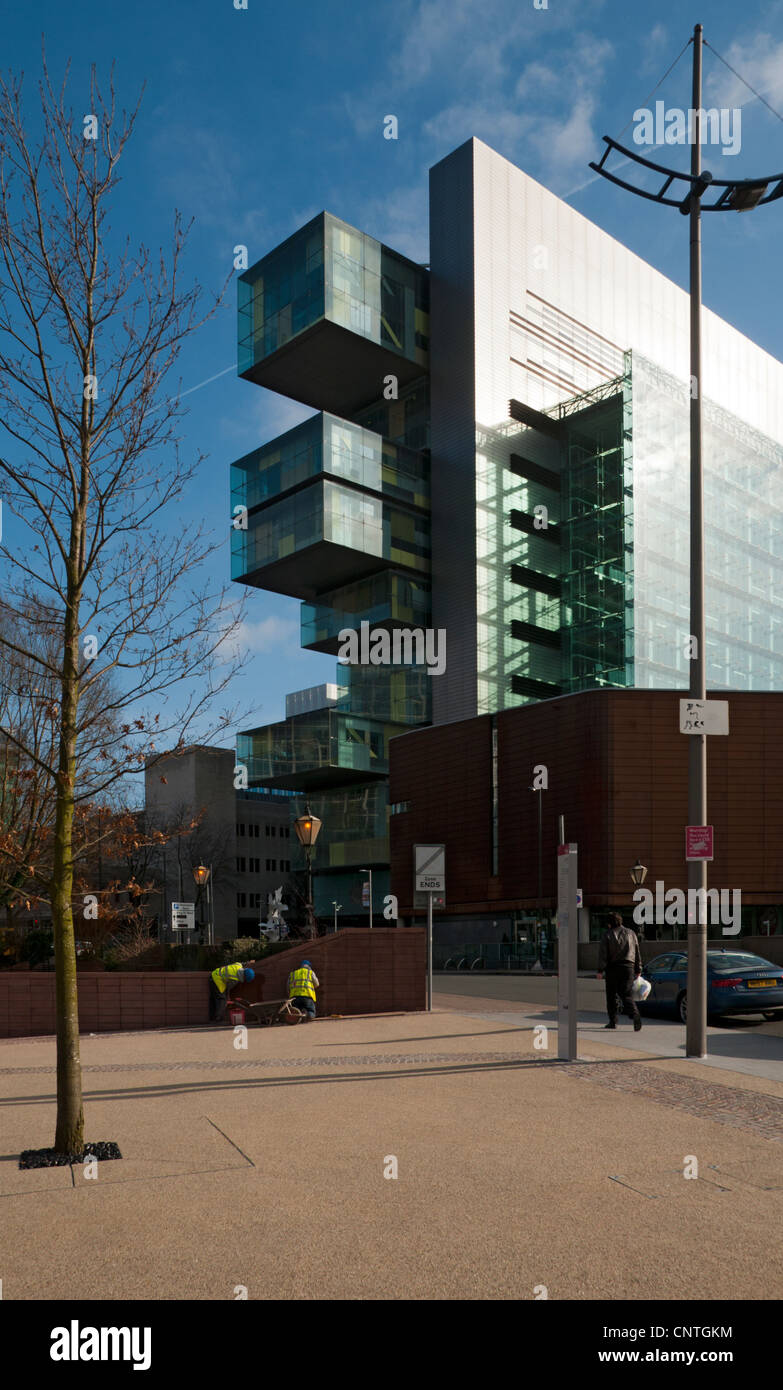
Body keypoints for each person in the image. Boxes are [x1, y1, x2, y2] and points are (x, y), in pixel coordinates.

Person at [598, 912, 643, 1031]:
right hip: (629, 967)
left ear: (609, 923)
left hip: (613, 968)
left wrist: (600, 970)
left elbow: (603, 954)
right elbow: (637, 951)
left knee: (611, 995)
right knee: (626, 993)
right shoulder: (631, 933)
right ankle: (635, 1013)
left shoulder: (607, 934)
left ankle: (613, 1021)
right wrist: (638, 969)